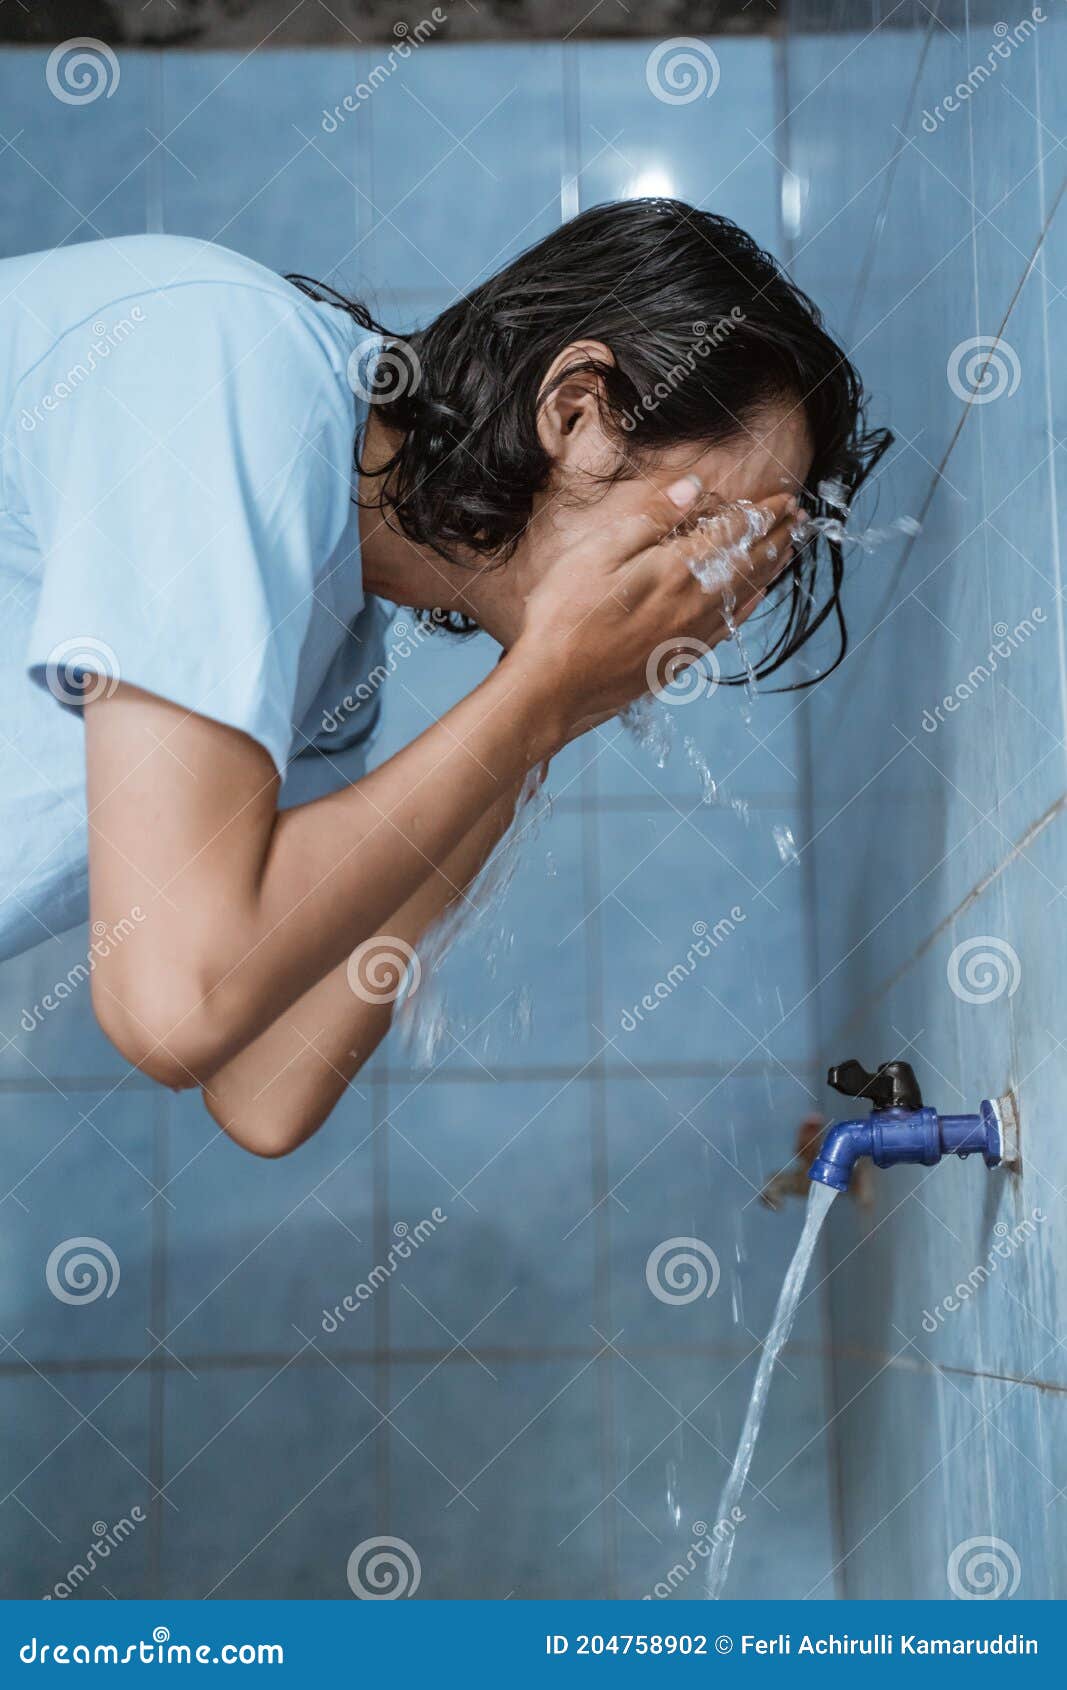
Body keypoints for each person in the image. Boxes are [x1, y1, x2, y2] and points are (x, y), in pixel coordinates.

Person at [0, 198, 886, 1155]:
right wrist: (543, 688)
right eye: (705, 534)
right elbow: (172, 1001)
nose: (694, 599)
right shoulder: (226, 362)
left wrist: (550, 704)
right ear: (575, 410)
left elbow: (269, 1083)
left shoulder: (326, 653)